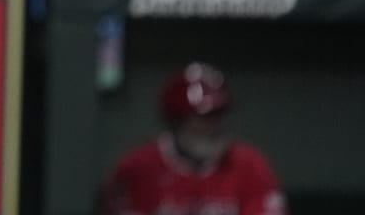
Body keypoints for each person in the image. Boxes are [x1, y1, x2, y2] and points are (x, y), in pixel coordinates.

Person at [100, 62, 287, 215]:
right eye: (201, 118)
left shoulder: (249, 165)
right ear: (175, 120)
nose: (211, 126)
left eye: (217, 115)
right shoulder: (138, 168)